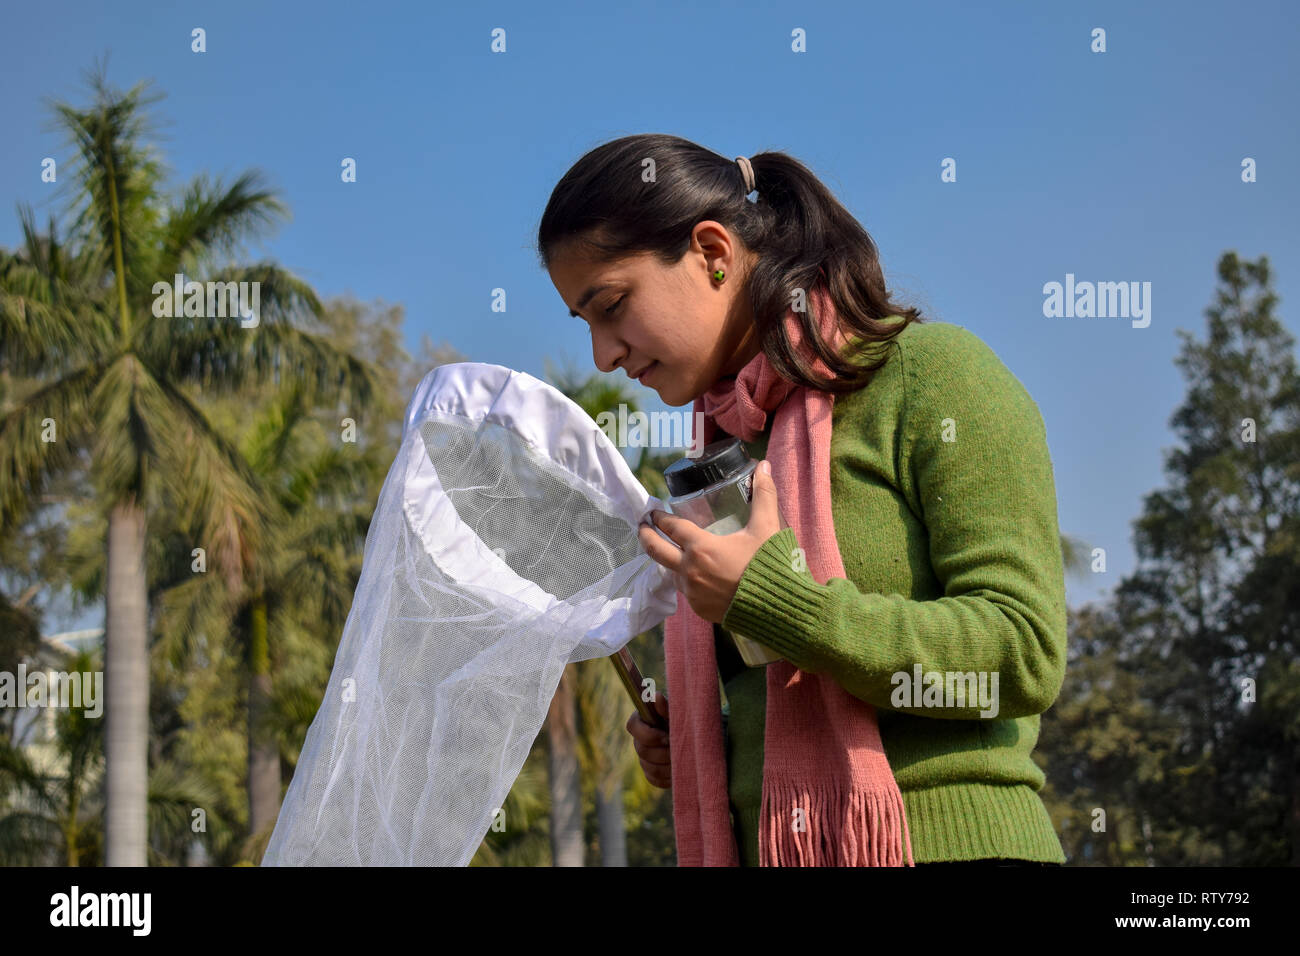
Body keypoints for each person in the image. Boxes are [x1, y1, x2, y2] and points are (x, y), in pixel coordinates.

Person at [538, 133, 1067, 867]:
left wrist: (783, 602)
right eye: (585, 324)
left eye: (612, 305)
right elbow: (800, 692)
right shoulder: (719, 457)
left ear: (713, 252)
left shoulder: (934, 379)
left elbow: (1024, 655)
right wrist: (708, 745)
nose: (604, 353)